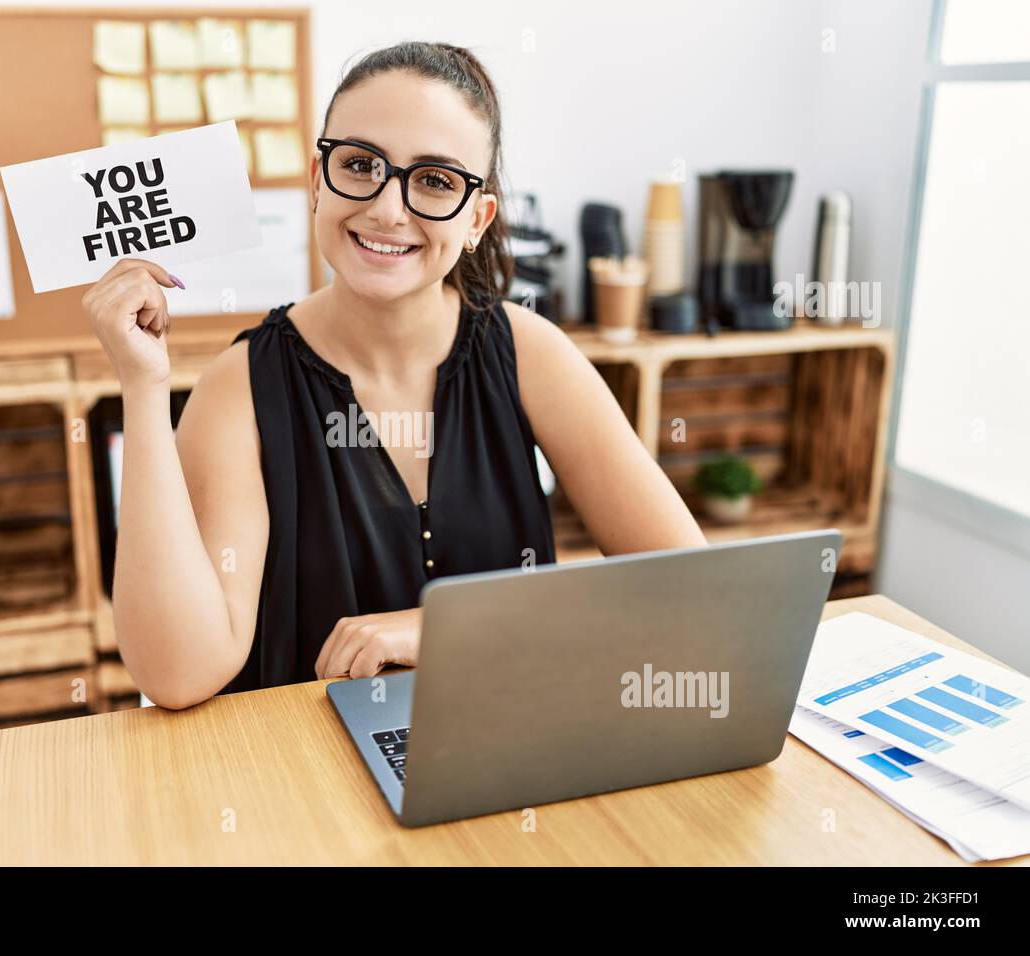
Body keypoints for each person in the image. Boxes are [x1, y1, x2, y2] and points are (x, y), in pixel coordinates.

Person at [81, 41, 706, 709]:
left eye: (435, 180)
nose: (387, 208)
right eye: (360, 165)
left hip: (502, 755)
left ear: (477, 219)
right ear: (319, 181)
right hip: (307, 781)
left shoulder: (531, 353)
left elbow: (689, 587)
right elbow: (179, 674)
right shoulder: (241, 387)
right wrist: (145, 390)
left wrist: (439, 627)